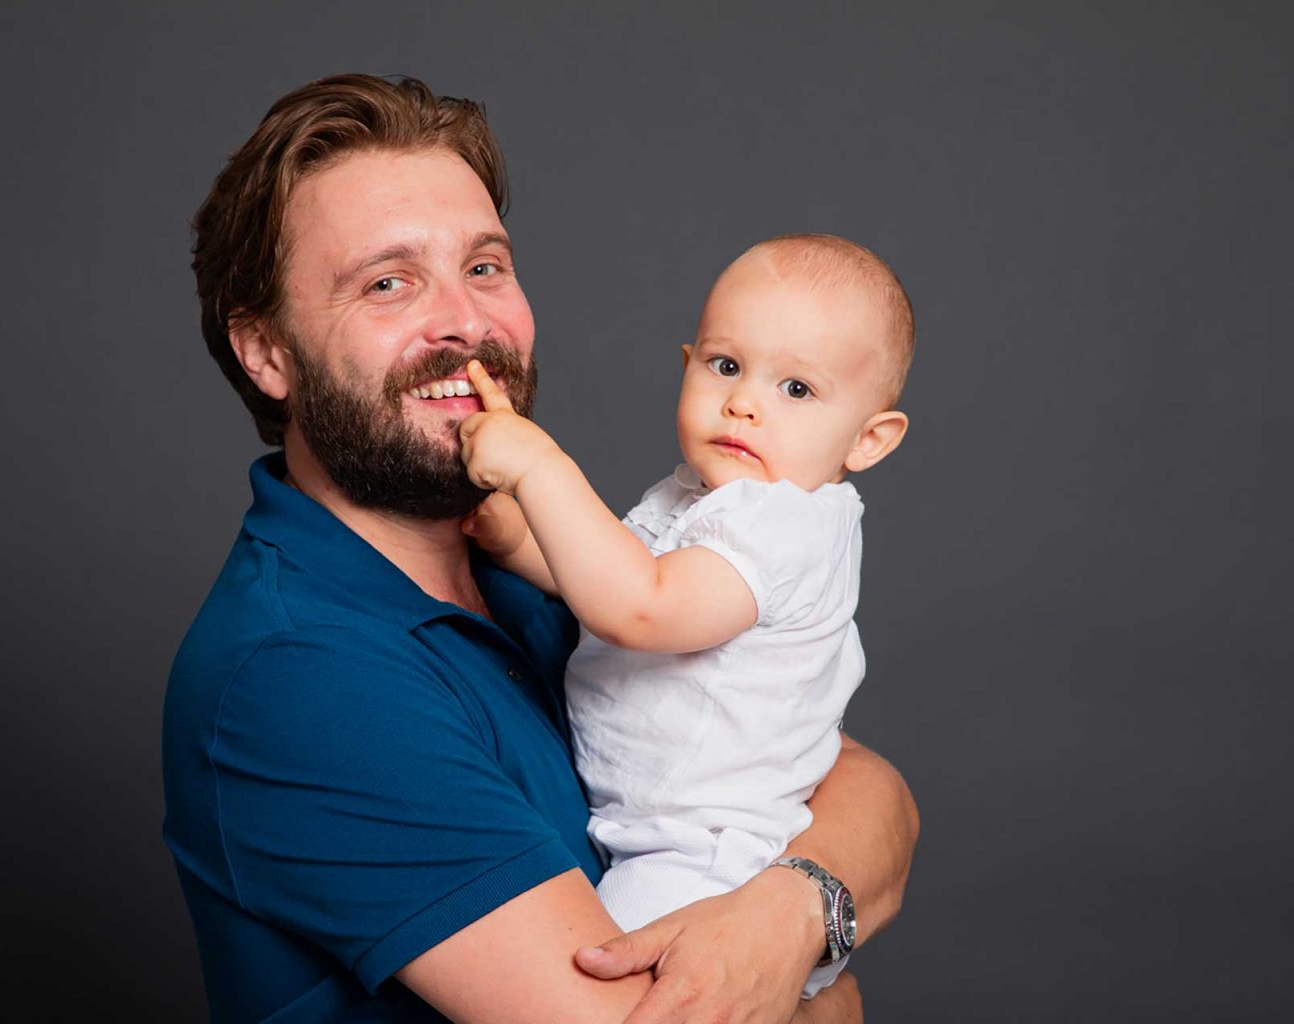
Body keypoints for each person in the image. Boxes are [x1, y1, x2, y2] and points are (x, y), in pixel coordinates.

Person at [163, 73, 918, 1024]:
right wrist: (826, 988)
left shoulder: (538, 563)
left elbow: (867, 789)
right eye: (388, 283)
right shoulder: (302, 672)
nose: (465, 323)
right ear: (266, 351)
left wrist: (785, 913)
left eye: (483, 267)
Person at [455, 234, 913, 997]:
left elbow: (641, 607)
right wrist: (517, 537)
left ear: (869, 439)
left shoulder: (783, 525)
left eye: (796, 389)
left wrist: (538, 468)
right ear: (688, 363)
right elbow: (604, 578)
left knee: (619, 996)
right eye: (725, 366)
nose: (743, 402)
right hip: (655, 836)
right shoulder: (697, 500)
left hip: (706, 860)